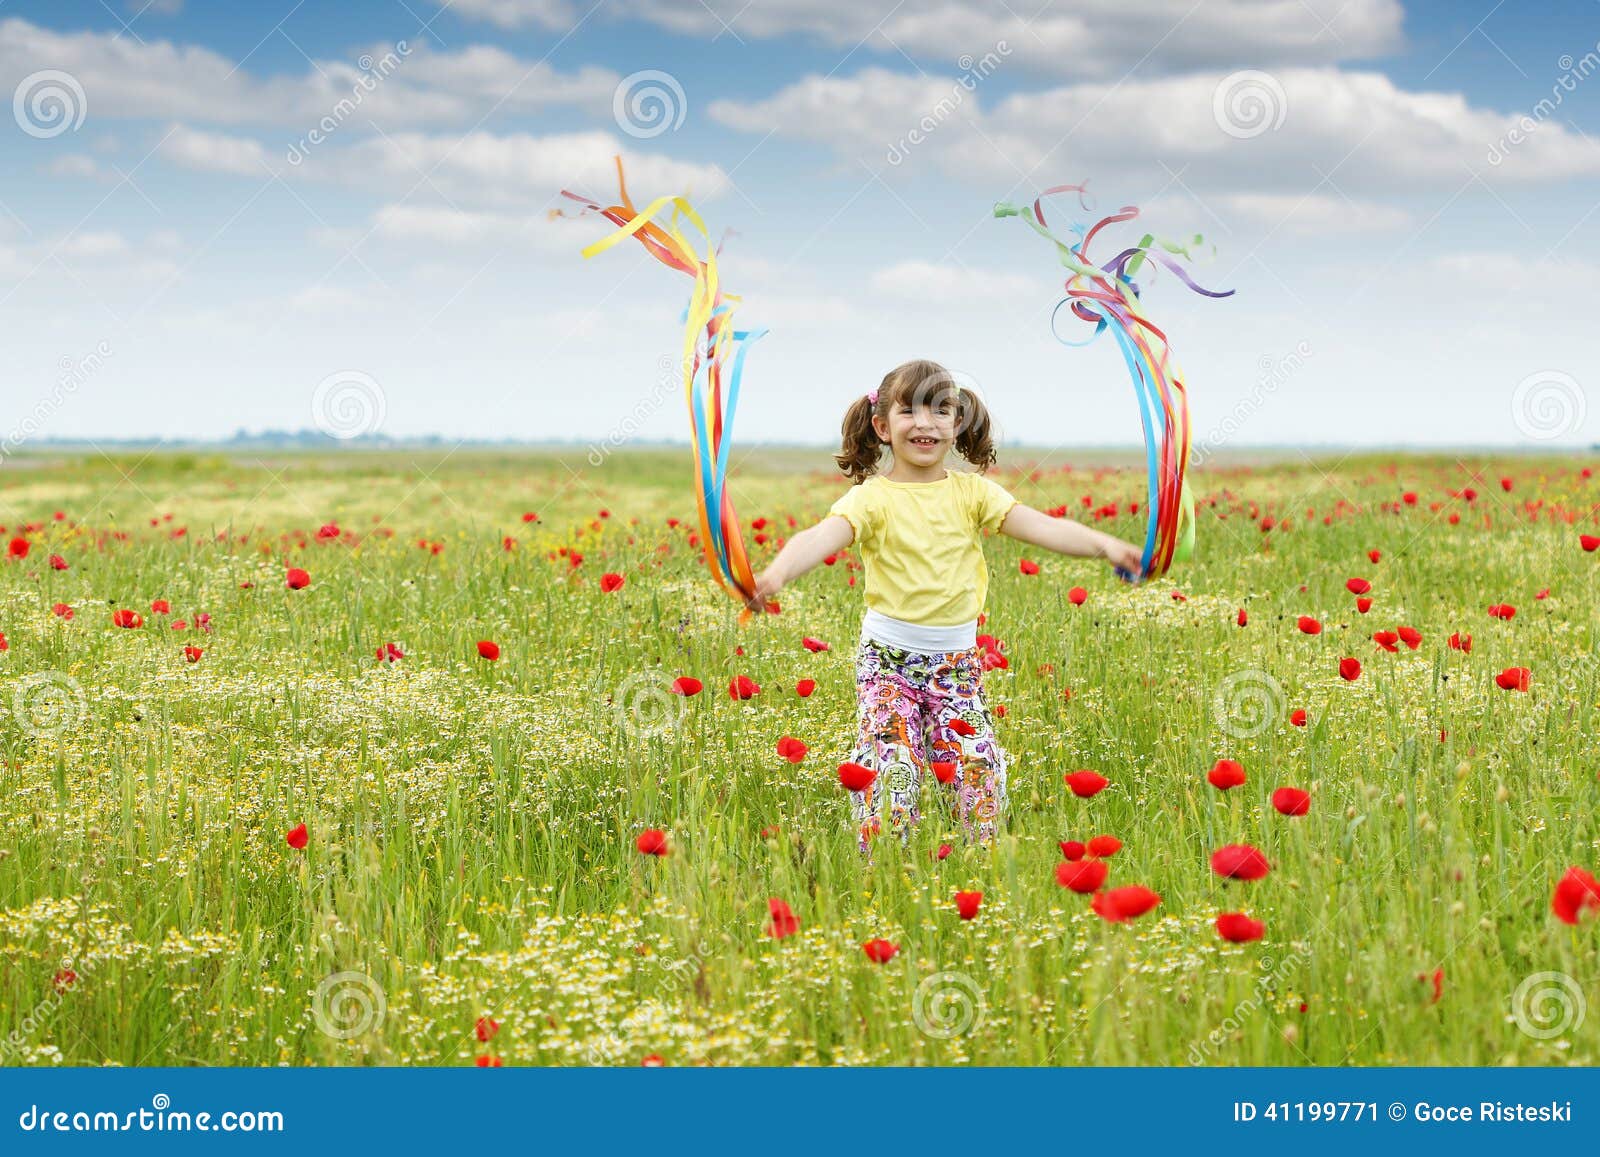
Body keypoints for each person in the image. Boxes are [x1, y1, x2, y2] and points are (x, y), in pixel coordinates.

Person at [748, 359, 1144, 855]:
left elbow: (1043, 526)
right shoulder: (871, 499)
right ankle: (887, 873)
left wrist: (1107, 545)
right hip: (887, 664)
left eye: (941, 410)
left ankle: (978, 869)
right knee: (891, 771)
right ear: (882, 426)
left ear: (957, 424)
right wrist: (775, 575)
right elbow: (820, 537)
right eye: (908, 410)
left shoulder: (974, 494)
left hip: (956, 665)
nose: (925, 422)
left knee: (979, 771)